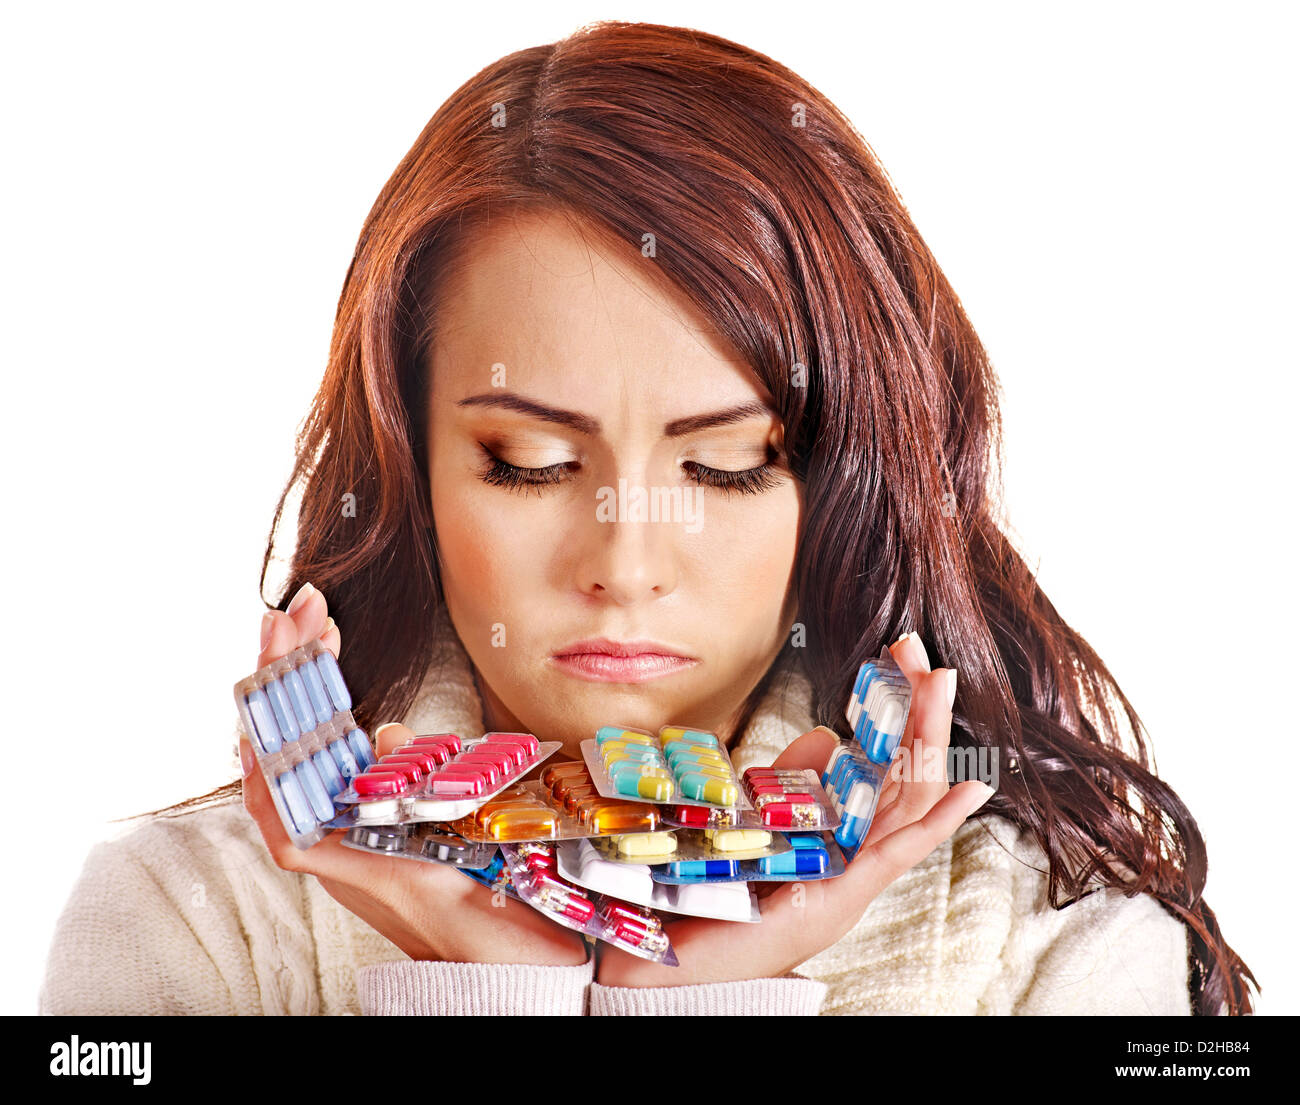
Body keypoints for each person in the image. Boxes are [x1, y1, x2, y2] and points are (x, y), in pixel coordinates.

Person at [39, 20, 1255, 1016]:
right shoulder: (185, 928)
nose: (622, 562)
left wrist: (687, 990)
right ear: (409, 473)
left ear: (844, 483)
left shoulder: (1051, 954)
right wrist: (489, 987)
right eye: (524, 462)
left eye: (726, 465)